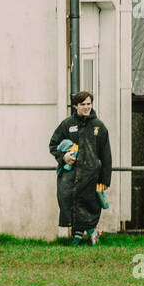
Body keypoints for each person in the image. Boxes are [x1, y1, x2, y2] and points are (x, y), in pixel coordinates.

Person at [48, 91, 113, 245]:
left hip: (92, 176)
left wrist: (105, 179)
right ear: (76, 106)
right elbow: (53, 145)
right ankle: (83, 233)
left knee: (90, 204)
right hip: (70, 175)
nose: (86, 107)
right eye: (82, 104)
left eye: (89, 103)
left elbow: (106, 155)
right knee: (69, 202)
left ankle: (88, 233)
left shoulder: (99, 126)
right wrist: (64, 156)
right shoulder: (67, 125)